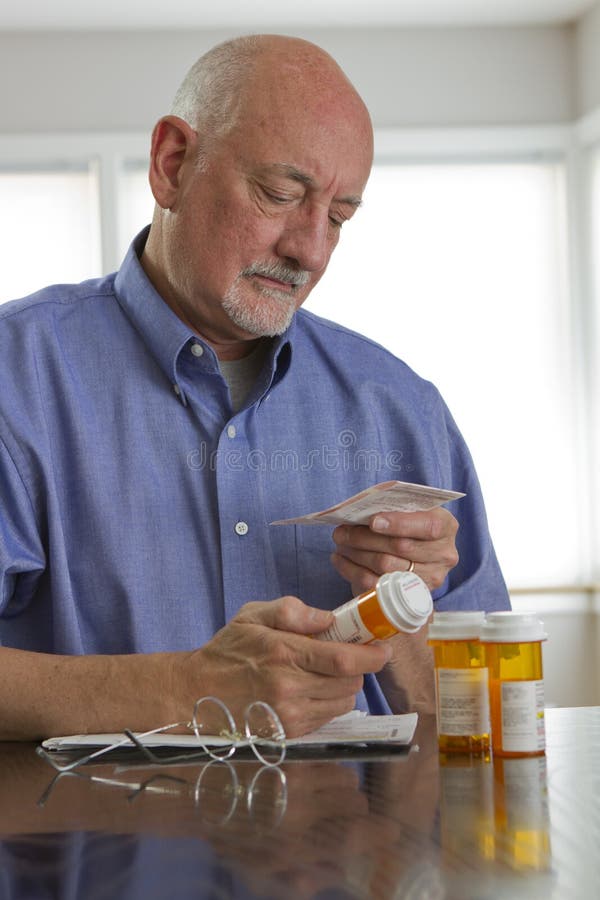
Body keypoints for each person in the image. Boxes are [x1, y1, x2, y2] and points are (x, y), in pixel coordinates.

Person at [0, 34, 509, 742]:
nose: (312, 249)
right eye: (280, 194)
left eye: (339, 217)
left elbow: (487, 719)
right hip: (94, 850)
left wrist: (402, 621)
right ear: (172, 164)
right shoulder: (14, 380)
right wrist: (187, 689)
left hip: (355, 850)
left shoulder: (403, 409)